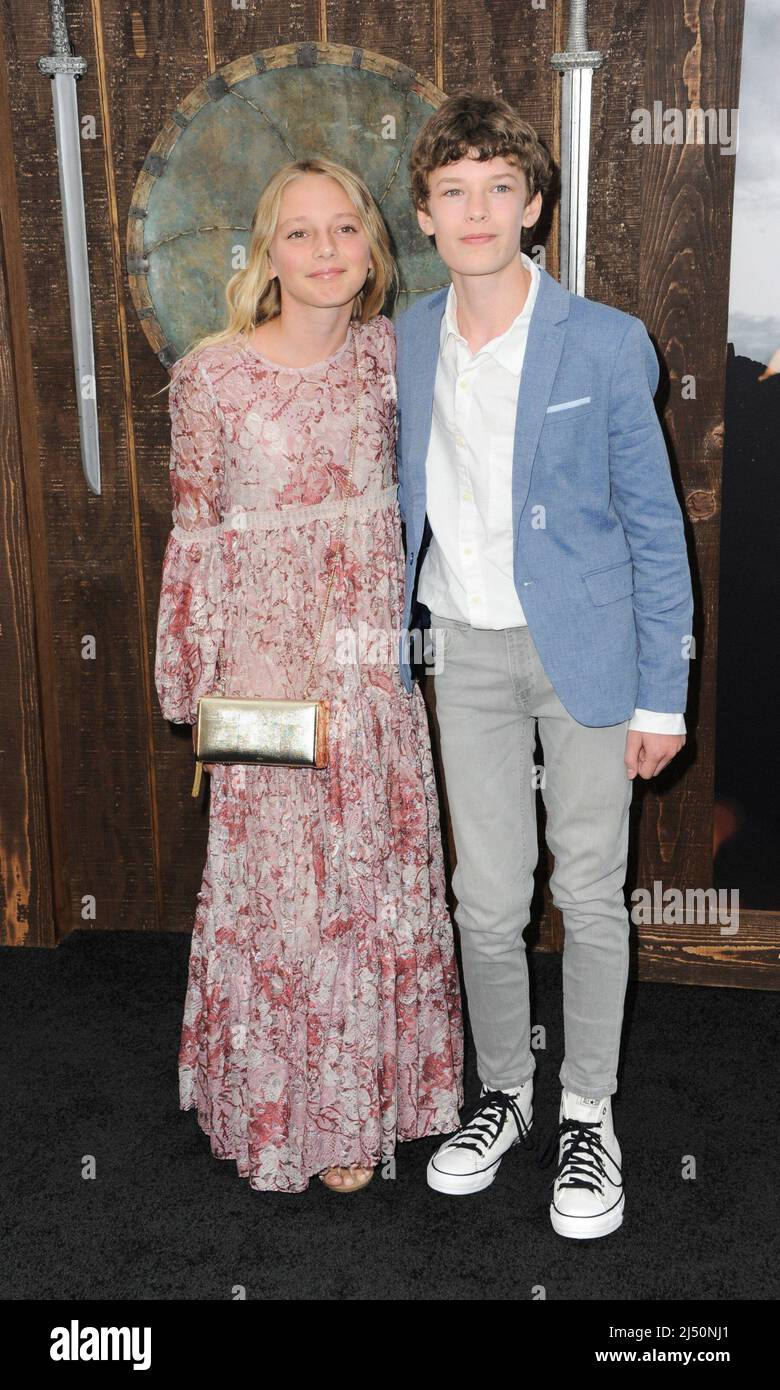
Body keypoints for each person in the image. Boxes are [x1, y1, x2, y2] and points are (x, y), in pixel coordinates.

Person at [394, 93, 693, 1238]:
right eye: (453, 192)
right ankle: (506, 1093)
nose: (478, 212)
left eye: (499, 190)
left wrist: (664, 690)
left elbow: (656, 526)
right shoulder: (407, 337)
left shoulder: (608, 341)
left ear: (535, 206)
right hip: (459, 648)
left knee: (586, 890)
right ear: (425, 215)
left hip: (589, 651)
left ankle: (588, 1112)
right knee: (483, 896)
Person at [154, 156, 464, 1195]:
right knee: (283, 901)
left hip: (372, 675)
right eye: (300, 232)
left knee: (368, 892)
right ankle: (283, 1111)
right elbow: (194, 536)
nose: (325, 251)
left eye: (345, 230)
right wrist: (190, 678)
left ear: (374, 248)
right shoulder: (209, 377)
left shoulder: (395, 359)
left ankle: (364, 1111)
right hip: (267, 679)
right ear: (267, 253)